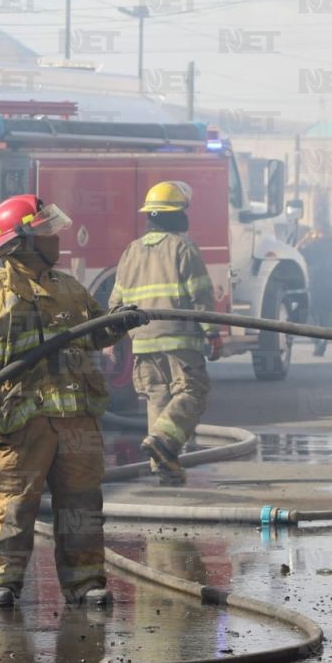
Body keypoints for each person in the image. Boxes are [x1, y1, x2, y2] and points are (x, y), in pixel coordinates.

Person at [0, 194, 143, 609]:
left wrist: (120, 322)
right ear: (22, 241)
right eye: (46, 232)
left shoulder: (69, 289)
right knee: (12, 503)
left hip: (75, 420)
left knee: (81, 503)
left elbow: (97, 332)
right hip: (20, 423)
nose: (56, 239)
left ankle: (85, 584)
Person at [110, 181, 218, 487]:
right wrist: (212, 334)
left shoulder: (131, 251)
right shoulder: (183, 248)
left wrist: (113, 340)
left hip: (142, 343)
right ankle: (160, 440)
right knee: (192, 393)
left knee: (157, 399)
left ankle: (164, 467)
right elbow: (201, 296)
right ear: (177, 215)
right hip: (179, 341)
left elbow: (116, 302)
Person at [297, 227, 332, 356]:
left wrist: (305, 238)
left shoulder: (314, 245)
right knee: (326, 315)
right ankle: (323, 341)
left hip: (316, 284)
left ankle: (317, 341)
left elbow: (297, 250)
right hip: (330, 284)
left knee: (313, 314)